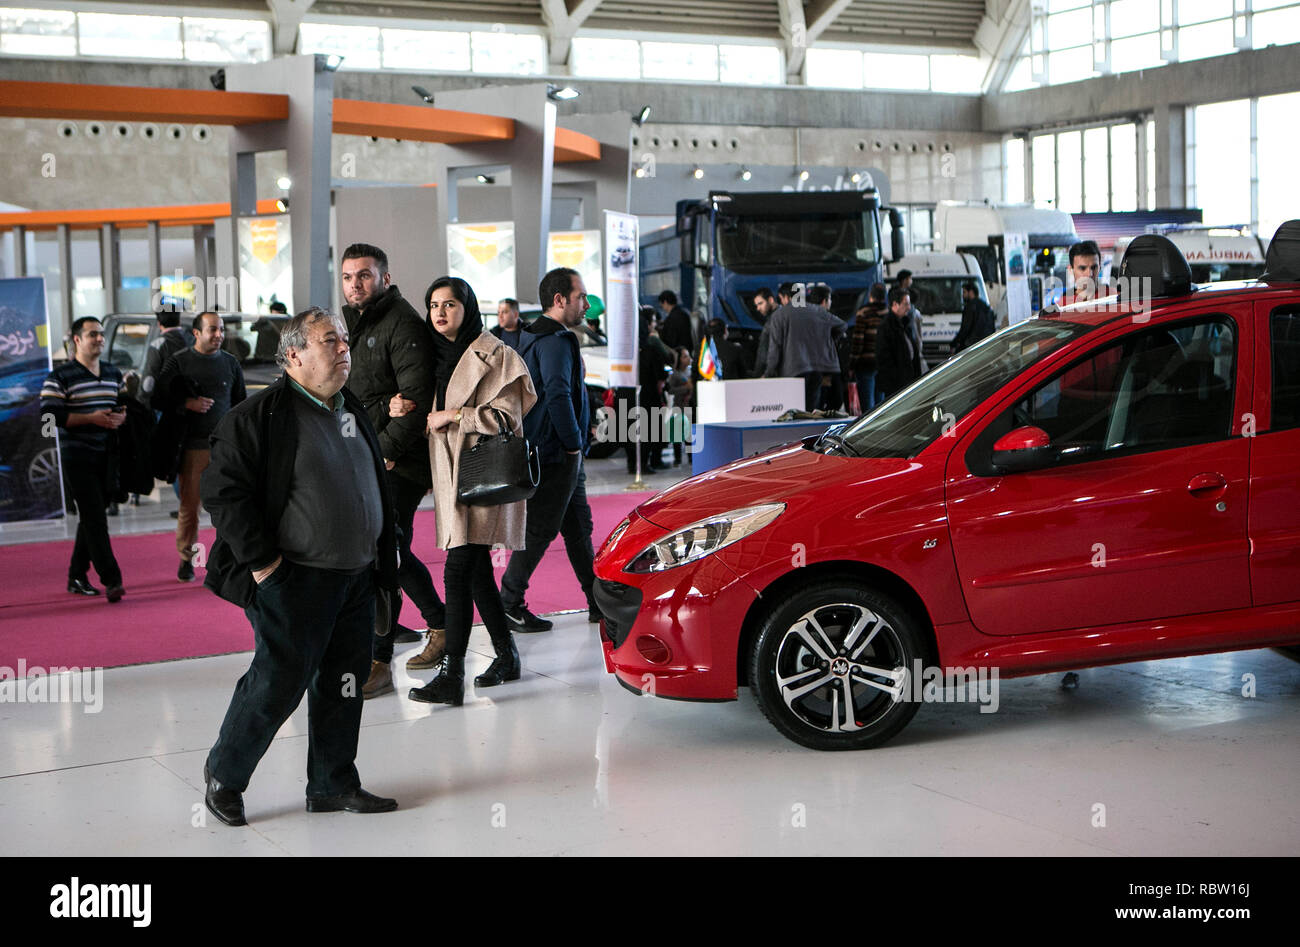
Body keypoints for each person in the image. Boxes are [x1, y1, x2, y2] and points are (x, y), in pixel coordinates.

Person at [200, 307, 400, 826]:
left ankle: (333, 783)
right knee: (277, 683)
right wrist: (265, 567)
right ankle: (225, 775)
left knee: (345, 681)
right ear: (293, 355)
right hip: (296, 579)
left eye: (345, 340)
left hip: (355, 576)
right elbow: (223, 495)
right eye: (329, 340)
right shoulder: (257, 418)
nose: (343, 349)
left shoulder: (348, 407)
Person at [389, 277, 537, 704]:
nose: (440, 312)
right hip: (452, 479)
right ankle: (507, 655)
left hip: (483, 475)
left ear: (468, 307)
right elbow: (421, 414)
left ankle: (452, 675)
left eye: (450, 304)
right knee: (475, 575)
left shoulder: (497, 355)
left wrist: (455, 415)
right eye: (433, 304)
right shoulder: (430, 361)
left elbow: (509, 418)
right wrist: (399, 408)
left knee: (457, 571)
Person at [338, 242, 446, 699]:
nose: (355, 284)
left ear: (385, 277)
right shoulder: (360, 323)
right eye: (347, 277)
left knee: (385, 550)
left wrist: (382, 451)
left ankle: (382, 658)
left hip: (398, 460)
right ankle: (435, 626)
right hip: (373, 454)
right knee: (387, 550)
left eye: (364, 275)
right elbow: (368, 396)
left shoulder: (400, 322)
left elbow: (415, 400)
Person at [499, 267, 599, 633]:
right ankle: (509, 602)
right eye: (581, 297)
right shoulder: (555, 340)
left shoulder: (530, 337)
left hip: (551, 449)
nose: (586, 305)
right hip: (557, 453)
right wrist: (574, 444)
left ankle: (596, 601)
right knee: (542, 528)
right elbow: (557, 394)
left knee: (577, 527)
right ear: (559, 300)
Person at [152, 311, 246, 582]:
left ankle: (226, 560)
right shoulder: (179, 362)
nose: (219, 335)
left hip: (225, 449)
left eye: (221, 330)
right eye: (213, 330)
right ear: (196, 333)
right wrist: (186, 405)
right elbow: (158, 398)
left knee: (228, 507)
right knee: (190, 507)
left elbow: (240, 404)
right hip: (193, 448)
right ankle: (187, 558)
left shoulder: (230, 363)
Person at [40, 317, 126, 602]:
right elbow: (48, 419)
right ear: (77, 340)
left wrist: (121, 416)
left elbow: (124, 406)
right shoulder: (60, 377)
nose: (100, 339)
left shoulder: (114, 373)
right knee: (95, 518)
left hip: (107, 456)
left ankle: (76, 574)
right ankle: (112, 579)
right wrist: (90, 419)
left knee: (90, 518)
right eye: (93, 335)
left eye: (101, 334)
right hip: (76, 456)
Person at [764, 282, 846, 410]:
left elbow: (775, 347)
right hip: (816, 369)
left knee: (794, 412)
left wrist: (769, 373)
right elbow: (841, 325)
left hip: (792, 371)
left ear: (785, 297)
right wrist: (827, 340)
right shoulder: (816, 310)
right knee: (812, 411)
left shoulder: (779, 315)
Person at [876, 286, 923, 400]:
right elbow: (884, 358)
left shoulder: (905, 323)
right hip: (896, 386)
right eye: (905, 304)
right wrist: (896, 379)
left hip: (908, 382)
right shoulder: (886, 326)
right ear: (895, 304)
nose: (908, 307)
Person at [138, 305, 188, 407]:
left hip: (166, 405)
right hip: (192, 404)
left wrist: (142, 401)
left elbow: (149, 379)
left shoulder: (158, 344)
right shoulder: (193, 341)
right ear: (179, 320)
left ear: (159, 323)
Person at [849, 283, 886, 409]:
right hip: (882, 363)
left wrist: (852, 364)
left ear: (871, 295)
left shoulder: (863, 312)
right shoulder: (888, 312)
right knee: (881, 404)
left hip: (866, 363)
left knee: (867, 404)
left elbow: (858, 340)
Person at [952, 281, 996, 353]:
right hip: (985, 344)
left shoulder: (970, 307)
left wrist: (955, 343)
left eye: (964, 292)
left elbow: (965, 328)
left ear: (971, 292)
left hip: (971, 346)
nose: (963, 295)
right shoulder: (985, 306)